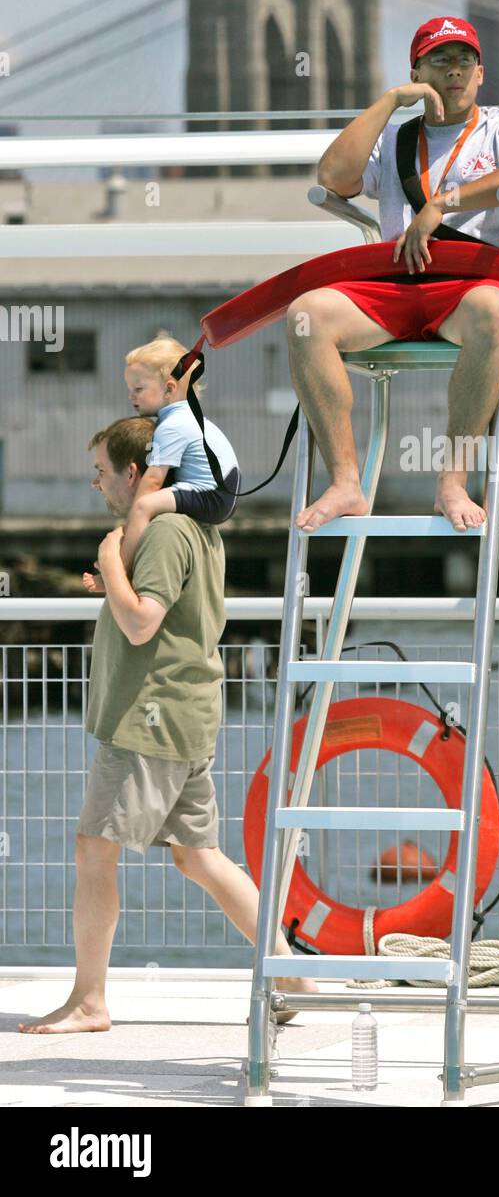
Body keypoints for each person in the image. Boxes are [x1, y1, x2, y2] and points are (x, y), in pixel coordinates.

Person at [19, 416, 313, 1033]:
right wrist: (116, 576)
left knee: (94, 849)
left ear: (135, 473)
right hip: (183, 711)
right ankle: (291, 976)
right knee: (199, 857)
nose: (94, 483)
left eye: (101, 471)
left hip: (149, 719)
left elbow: (141, 623)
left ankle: (90, 1003)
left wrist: (110, 562)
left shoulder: (167, 530)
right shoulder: (194, 527)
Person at [286, 15, 499, 534]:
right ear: (417, 71)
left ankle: (453, 480)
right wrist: (390, 101)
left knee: (491, 308)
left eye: (464, 61)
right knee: (307, 315)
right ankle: (345, 481)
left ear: (481, 73)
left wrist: (443, 204)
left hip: (474, 287)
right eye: (439, 61)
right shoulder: (395, 136)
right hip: (395, 284)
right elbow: (333, 178)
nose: (453, 72)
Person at [87, 333, 241, 587]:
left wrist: (134, 521)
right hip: (222, 492)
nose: (131, 397)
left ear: (169, 388)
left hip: (213, 495)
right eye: (130, 390)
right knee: (147, 507)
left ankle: (119, 570)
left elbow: (153, 481)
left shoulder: (172, 425)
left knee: (143, 506)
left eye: (138, 389)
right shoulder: (187, 416)